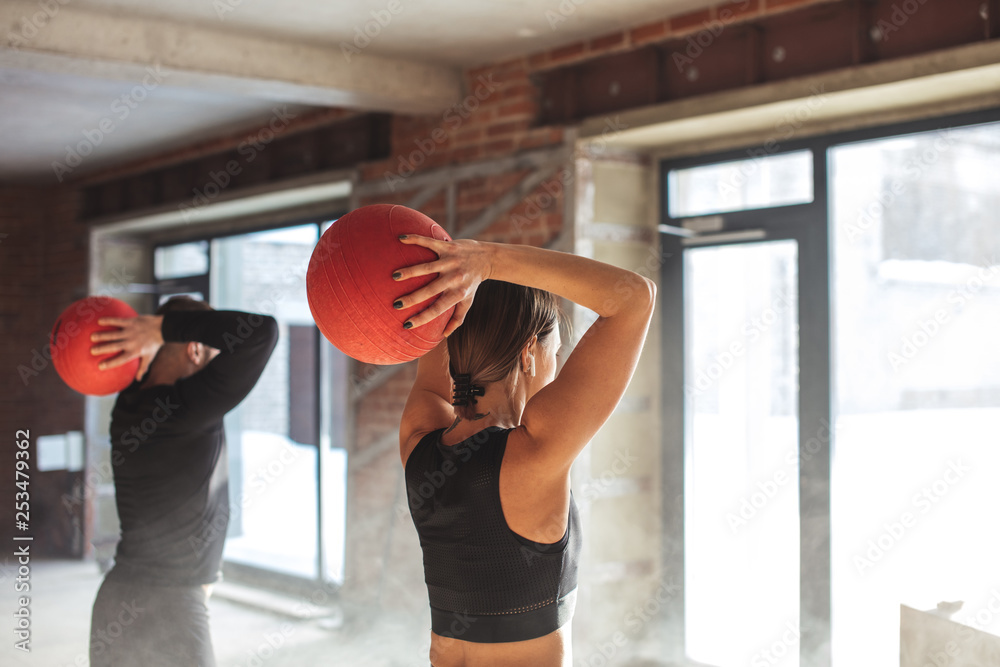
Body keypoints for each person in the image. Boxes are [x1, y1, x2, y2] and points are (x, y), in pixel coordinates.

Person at [397, 235, 656, 667]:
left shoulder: (419, 442)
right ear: (528, 354)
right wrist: (488, 260)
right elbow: (635, 298)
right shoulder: (533, 455)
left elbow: (445, 329)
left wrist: (474, 275)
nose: (555, 368)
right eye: (555, 354)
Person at [86, 296, 278, 667]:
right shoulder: (188, 408)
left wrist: (159, 332)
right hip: (170, 606)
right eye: (210, 351)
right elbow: (262, 333)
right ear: (194, 349)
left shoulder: (127, 406)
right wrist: (159, 330)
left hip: (117, 598)